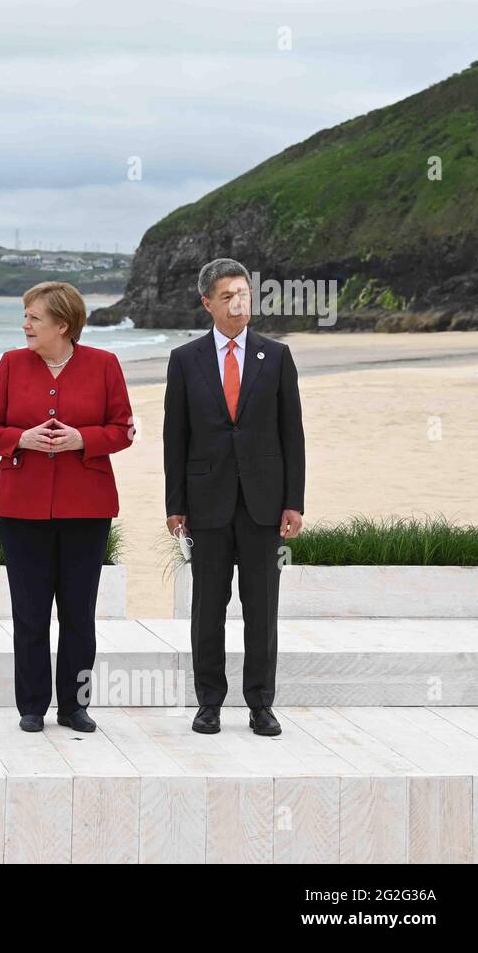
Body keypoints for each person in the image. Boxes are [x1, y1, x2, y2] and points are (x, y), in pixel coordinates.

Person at [0, 281, 134, 733]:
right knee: (29, 614)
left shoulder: (104, 365)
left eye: (34, 318)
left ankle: (74, 706)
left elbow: (122, 429)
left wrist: (83, 438)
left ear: (62, 324)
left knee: (79, 614)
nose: (25, 325)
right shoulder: (11, 364)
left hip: (87, 508)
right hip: (20, 509)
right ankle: (31, 707)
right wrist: (18, 439)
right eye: (25, 317)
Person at [163, 258, 305, 737]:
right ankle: (209, 704)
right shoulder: (185, 360)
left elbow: (293, 436)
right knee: (208, 608)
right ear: (208, 303)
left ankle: (261, 705)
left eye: (243, 293)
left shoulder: (277, 356)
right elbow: (174, 437)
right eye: (227, 295)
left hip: (264, 503)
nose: (238, 302)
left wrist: (294, 501)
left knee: (262, 608)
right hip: (206, 503)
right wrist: (174, 504)